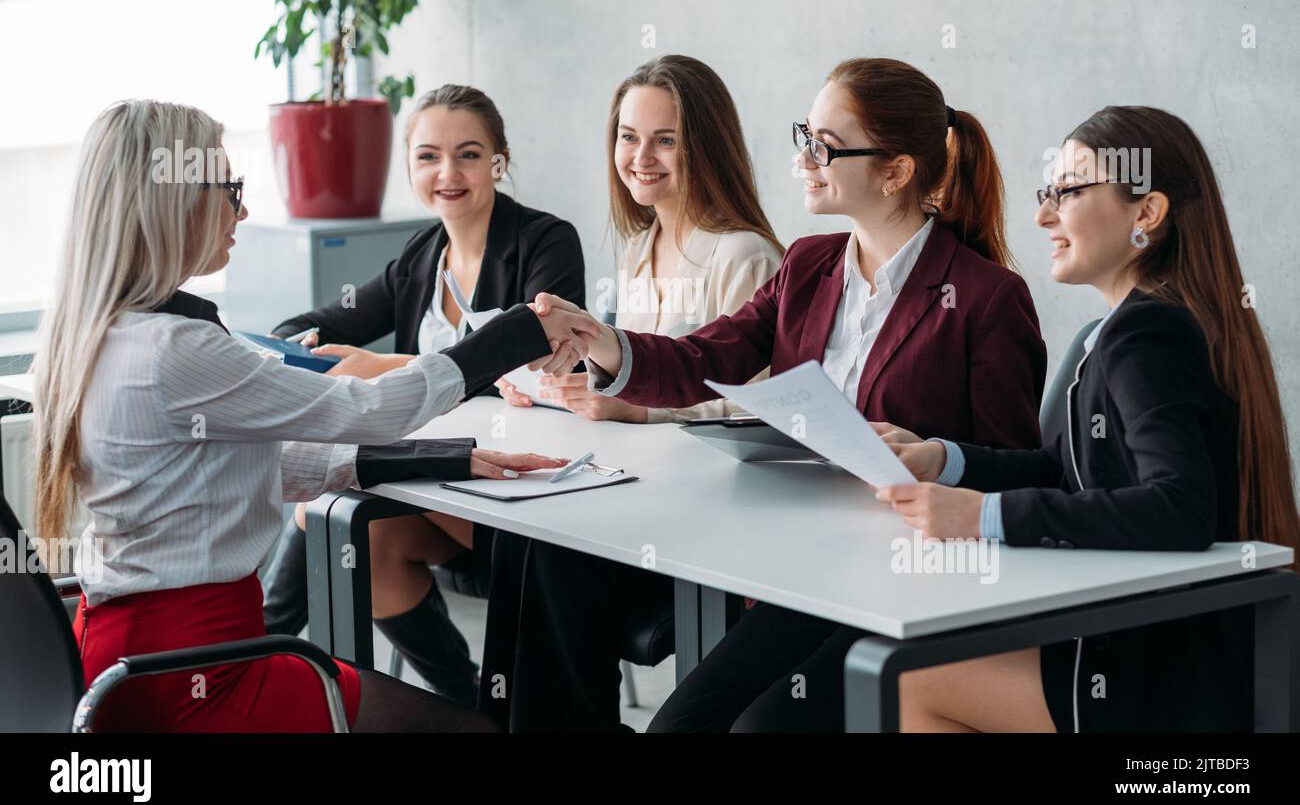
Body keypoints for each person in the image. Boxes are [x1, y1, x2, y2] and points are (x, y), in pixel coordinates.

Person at [31, 99, 599, 731]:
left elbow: (249, 466)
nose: (243, 211)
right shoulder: (174, 347)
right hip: (199, 671)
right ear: (175, 201)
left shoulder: (98, 333)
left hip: (128, 656)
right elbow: (371, 411)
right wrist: (512, 336)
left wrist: (441, 455)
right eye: (231, 190)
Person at [528, 56, 1048, 730]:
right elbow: (702, 358)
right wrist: (600, 339)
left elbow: (1018, 469)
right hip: (801, 569)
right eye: (805, 135)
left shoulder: (986, 297)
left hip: (908, 583)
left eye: (825, 146)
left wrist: (937, 457)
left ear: (895, 172)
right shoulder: (808, 264)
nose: (803, 159)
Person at [872, 106, 1300, 732]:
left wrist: (983, 517)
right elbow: (1070, 470)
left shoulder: (1144, 333)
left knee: (901, 675)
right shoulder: (1145, 325)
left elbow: (1180, 507)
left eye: (1068, 192)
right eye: (1048, 194)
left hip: (1157, 673)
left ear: (1145, 214)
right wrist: (945, 459)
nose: (1044, 216)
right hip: (1172, 651)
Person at [258, 84, 586, 705]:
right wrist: (302, 345)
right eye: (428, 156)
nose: (447, 174)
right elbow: (307, 325)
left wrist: (386, 365)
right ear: (409, 166)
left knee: (326, 500)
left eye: (469, 155)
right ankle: (468, 704)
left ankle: (251, 656)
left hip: (522, 491)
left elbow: (537, 360)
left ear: (499, 160)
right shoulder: (421, 256)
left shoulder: (546, 242)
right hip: (442, 477)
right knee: (364, 538)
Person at [499, 55, 783, 422]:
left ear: (707, 148)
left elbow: (763, 408)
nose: (642, 157)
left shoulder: (746, 257)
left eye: (665, 140)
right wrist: (544, 385)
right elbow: (630, 374)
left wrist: (643, 410)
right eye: (629, 137)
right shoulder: (639, 247)